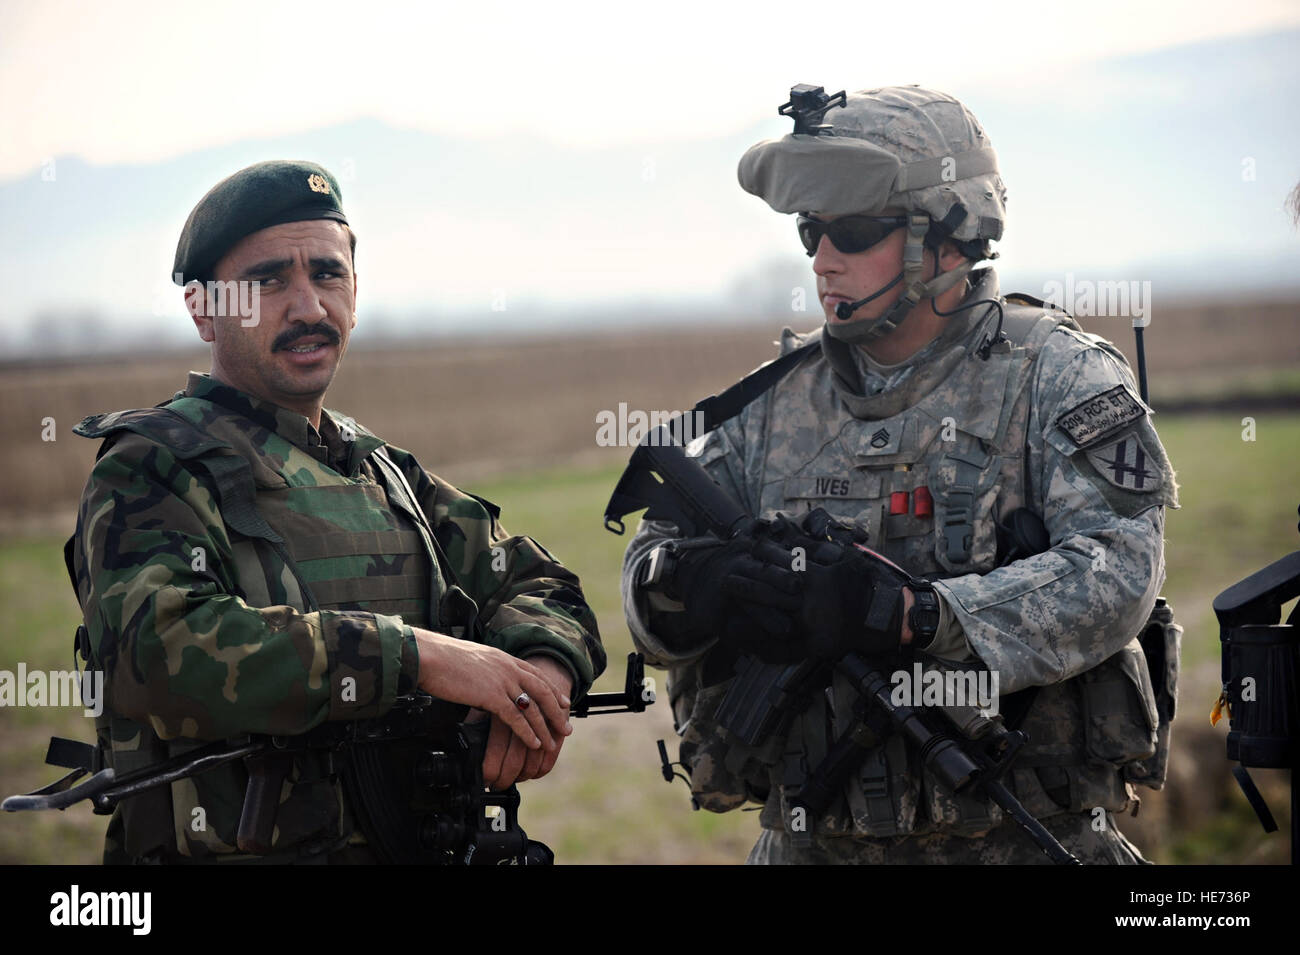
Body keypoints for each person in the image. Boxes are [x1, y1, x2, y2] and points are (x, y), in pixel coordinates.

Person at [620, 86, 1179, 864]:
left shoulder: (1058, 377)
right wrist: (698, 588)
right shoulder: (768, 404)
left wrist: (913, 615)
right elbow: (647, 568)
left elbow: (1119, 571)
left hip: (1024, 839)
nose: (822, 258)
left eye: (852, 231)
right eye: (811, 231)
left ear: (946, 238)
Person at [68, 160, 605, 863]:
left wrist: (541, 676)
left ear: (355, 291)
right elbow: (160, 652)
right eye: (268, 281)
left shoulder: (383, 471)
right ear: (203, 308)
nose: (308, 308)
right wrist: (414, 655)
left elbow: (540, 581)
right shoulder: (155, 465)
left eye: (326, 274)